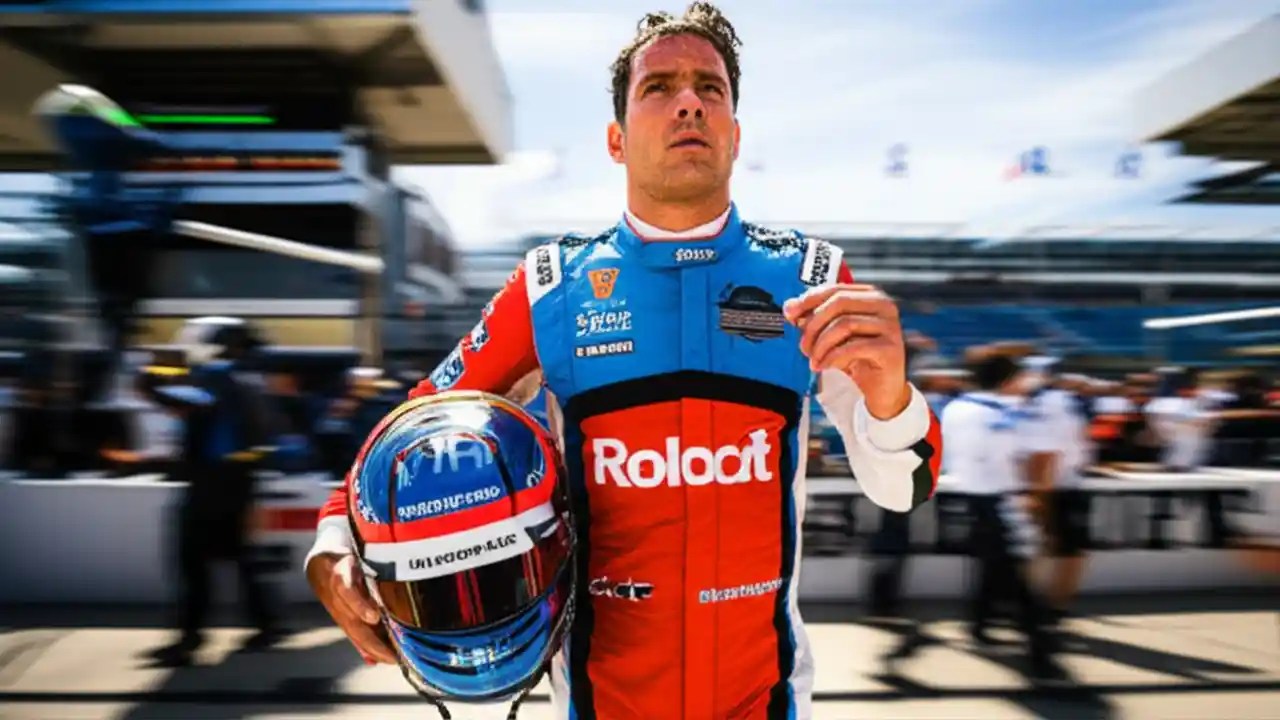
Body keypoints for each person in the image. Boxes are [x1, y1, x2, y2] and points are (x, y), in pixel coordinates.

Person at [306, 4, 943, 718]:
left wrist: (892, 395)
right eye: (658, 87)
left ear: (734, 132)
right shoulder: (549, 288)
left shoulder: (812, 277)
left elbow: (905, 491)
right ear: (616, 139)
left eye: (711, 88)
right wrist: (333, 540)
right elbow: (412, 429)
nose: (689, 102)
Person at [141, 317, 286, 666]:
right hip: (240, 483)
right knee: (239, 556)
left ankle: (190, 639)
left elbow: (192, 400)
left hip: (211, 485)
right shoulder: (252, 383)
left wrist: (152, 383)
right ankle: (267, 625)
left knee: (192, 561)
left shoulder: (217, 375)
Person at [941, 349, 1066, 683]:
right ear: (1010, 379)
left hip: (968, 496)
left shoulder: (956, 407)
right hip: (1002, 499)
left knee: (991, 565)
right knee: (1018, 578)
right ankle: (1041, 650)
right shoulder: (1010, 412)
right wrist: (1038, 498)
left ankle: (979, 626)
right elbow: (1037, 456)